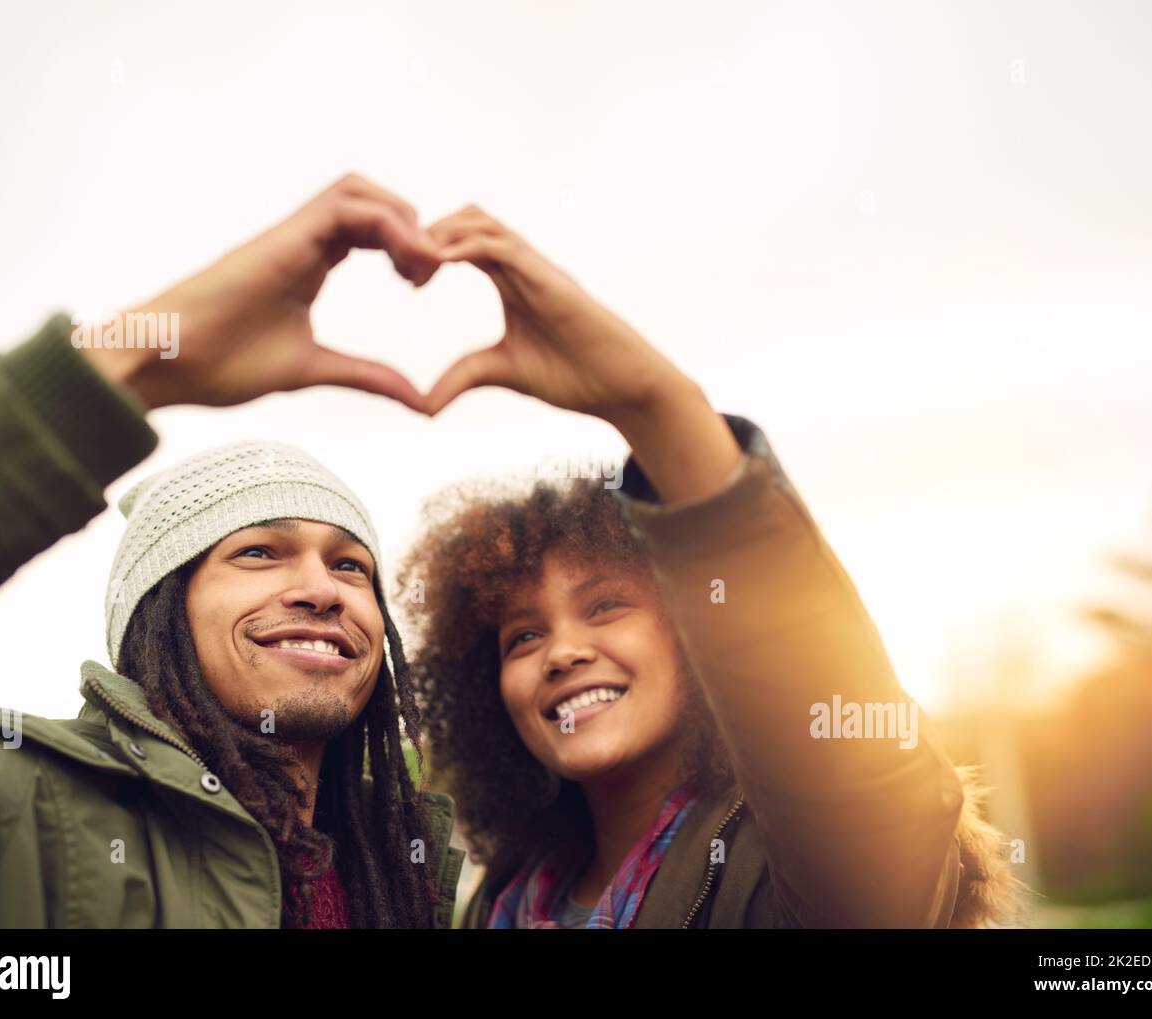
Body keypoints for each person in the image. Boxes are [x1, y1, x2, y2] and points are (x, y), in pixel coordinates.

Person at [400, 207, 1025, 927]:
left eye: (605, 605)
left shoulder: (804, 869)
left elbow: (841, 740)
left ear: (698, 637)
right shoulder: (497, 901)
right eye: (522, 637)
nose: (563, 651)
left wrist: (654, 405)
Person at [0, 174, 467, 928]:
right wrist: (127, 364)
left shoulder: (408, 877)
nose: (321, 588)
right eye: (258, 553)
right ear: (160, 613)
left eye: (350, 564)